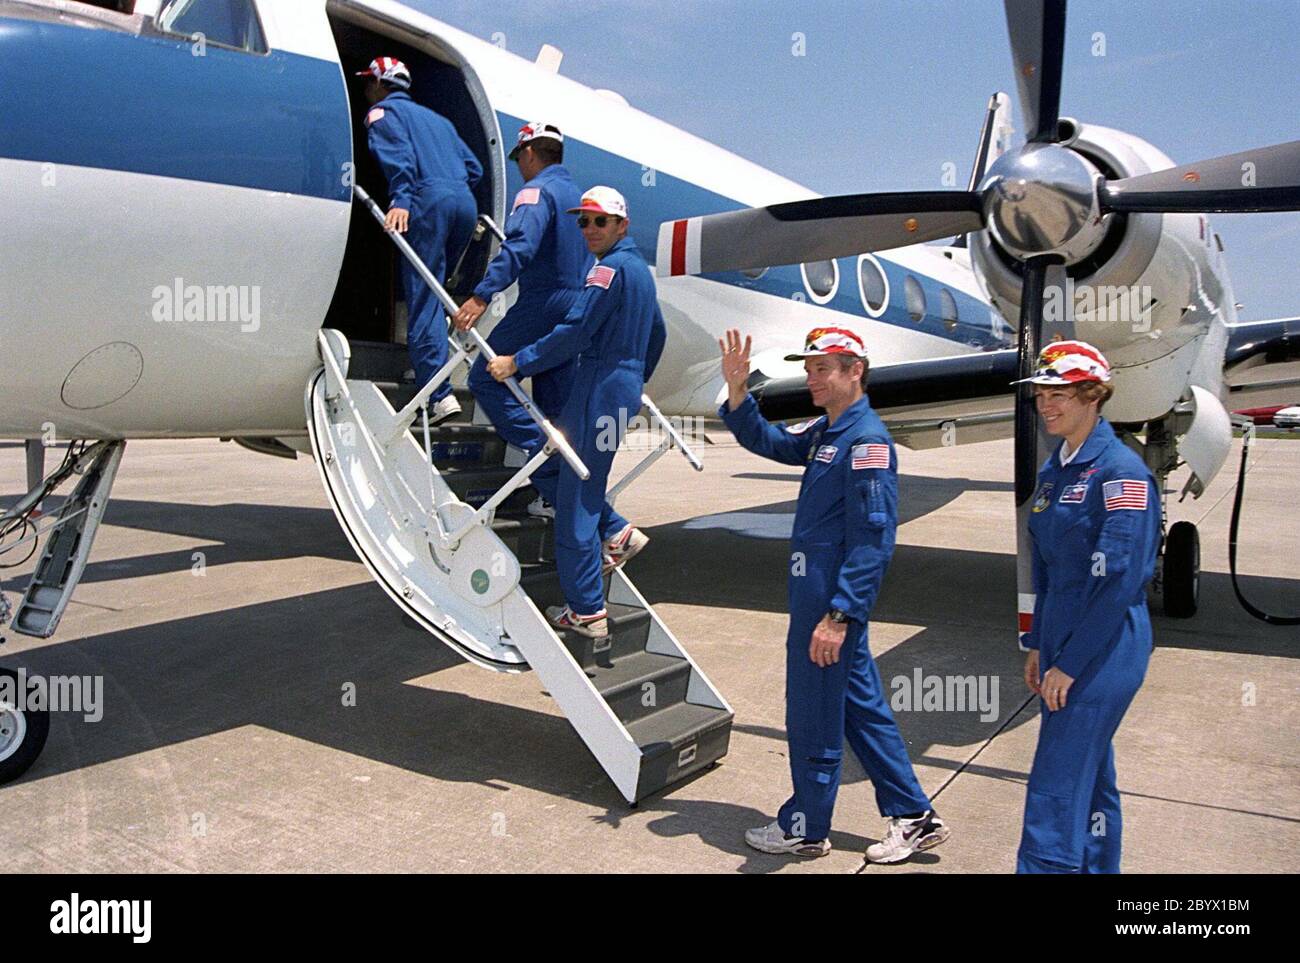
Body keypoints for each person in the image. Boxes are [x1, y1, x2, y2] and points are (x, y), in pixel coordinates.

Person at [719, 326, 950, 862]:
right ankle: (914, 816)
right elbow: (774, 443)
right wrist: (737, 394)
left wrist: (840, 614)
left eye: (823, 368)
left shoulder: (865, 443)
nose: (811, 378)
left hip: (829, 602)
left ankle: (805, 826)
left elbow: (873, 539)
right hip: (820, 596)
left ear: (855, 372)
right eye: (809, 369)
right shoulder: (830, 431)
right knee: (858, 708)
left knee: (813, 713)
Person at [486, 187, 664, 638]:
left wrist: (517, 361)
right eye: (582, 221)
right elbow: (656, 333)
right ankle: (617, 533)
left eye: (599, 221)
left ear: (622, 225)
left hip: (599, 386)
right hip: (621, 388)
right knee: (581, 478)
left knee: (575, 500)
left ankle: (586, 610)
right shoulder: (640, 272)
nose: (589, 230)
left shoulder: (606, 271)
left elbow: (576, 332)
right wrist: (636, 377)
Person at [1015, 340, 1161, 874]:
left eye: (1060, 394)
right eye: (1042, 394)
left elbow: (1118, 582)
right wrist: (1037, 645)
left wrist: (1069, 665)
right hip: (1062, 646)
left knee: (1054, 793)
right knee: (1091, 783)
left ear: (1092, 396)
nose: (1047, 405)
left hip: (1102, 653)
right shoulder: (1060, 469)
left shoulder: (1121, 474)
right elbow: (1050, 568)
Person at [452, 122, 592, 523]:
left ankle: (543, 459)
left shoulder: (536, 191)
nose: (519, 167)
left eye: (519, 159)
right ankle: (557, 495)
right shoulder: (578, 197)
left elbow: (521, 247)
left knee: (484, 378)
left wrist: (482, 294)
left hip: (543, 300)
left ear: (529, 154)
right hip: (575, 304)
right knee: (555, 404)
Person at [358, 56, 481, 423]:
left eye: (369, 82)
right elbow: (473, 168)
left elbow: (400, 160)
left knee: (424, 295)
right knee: (437, 289)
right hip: (464, 202)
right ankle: (426, 365)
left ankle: (438, 395)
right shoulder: (440, 121)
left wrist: (402, 200)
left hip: (427, 202)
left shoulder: (382, 114)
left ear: (381, 85)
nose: (367, 90)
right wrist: (450, 190)